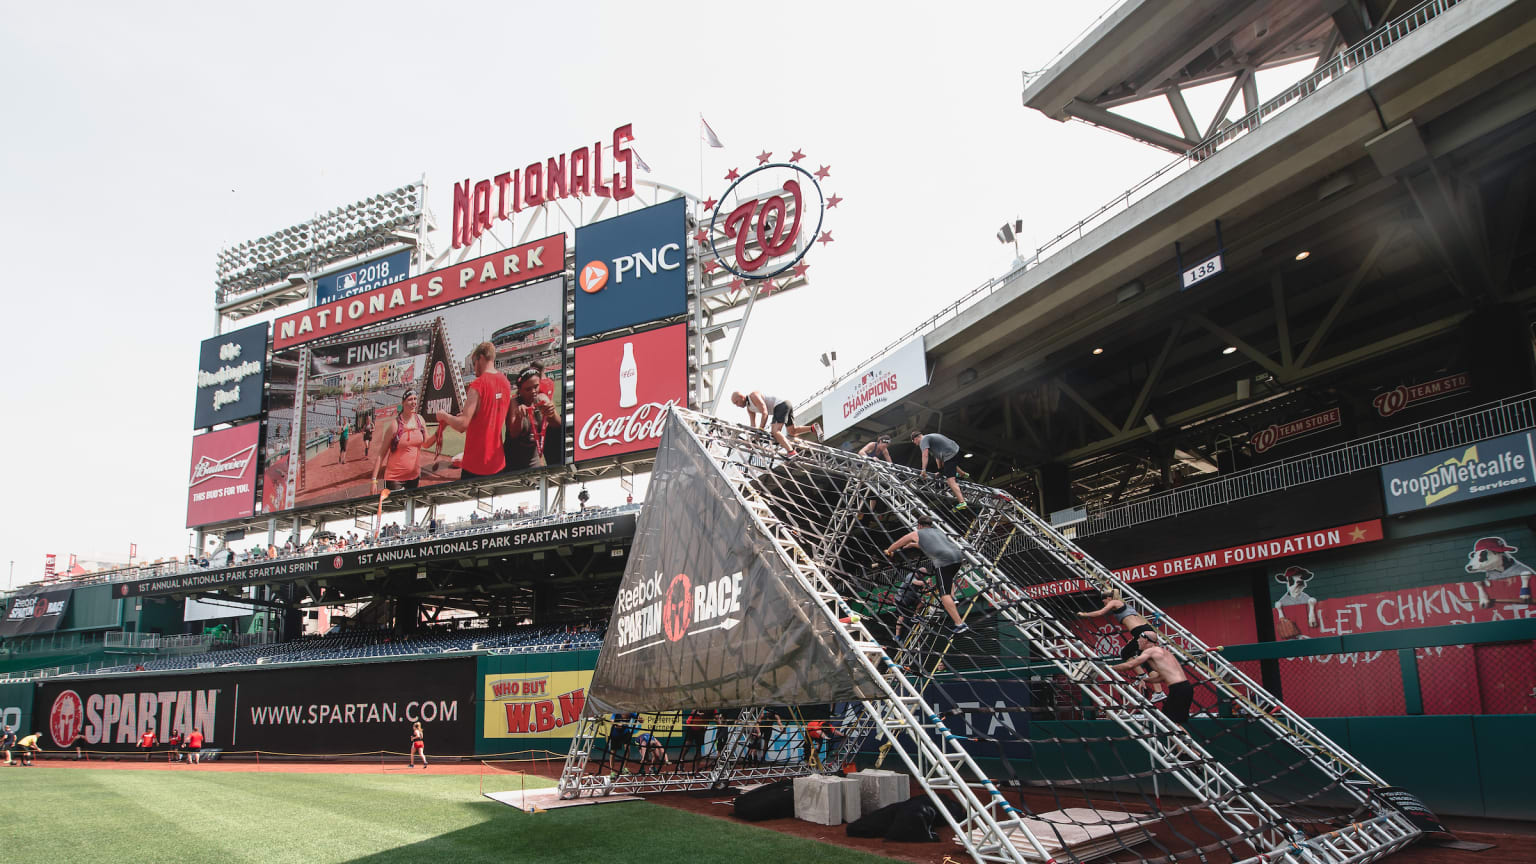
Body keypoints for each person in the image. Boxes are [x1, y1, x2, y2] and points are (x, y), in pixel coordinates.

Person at [436, 342, 512, 479]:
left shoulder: (478, 384)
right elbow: (490, 415)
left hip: (476, 465)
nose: (473, 368)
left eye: (474, 362)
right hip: (497, 462)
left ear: (481, 358)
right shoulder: (506, 383)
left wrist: (444, 416)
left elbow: (461, 425)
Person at [1078, 588, 1166, 703]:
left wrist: (1084, 614)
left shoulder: (1114, 602)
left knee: (1127, 654)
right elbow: (1136, 621)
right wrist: (1135, 638)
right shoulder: (1126, 605)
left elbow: (1100, 612)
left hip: (1141, 632)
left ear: (1109, 598)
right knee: (1142, 658)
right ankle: (1155, 688)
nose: (1104, 603)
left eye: (1104, 601)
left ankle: (1149, 682)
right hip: (1145, 630)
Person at [885, 515, 970, 633]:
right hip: (957, 557)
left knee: (943, 594)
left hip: (943, 560)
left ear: (919, 525)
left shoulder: (916, 533)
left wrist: (888, 551)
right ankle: (953, 597)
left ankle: (959, 624)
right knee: (948, 578)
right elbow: (929, 545)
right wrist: (913, 545)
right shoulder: (938, 531)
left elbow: (897, 544)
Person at [1113, 631, 1194, 725]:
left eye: (1139, 638)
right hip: (1183, 688)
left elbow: (1131, 664)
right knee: (1171, 724)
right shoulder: (1164, 652)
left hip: (1178, 689)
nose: (1138, 641)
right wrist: (1143, 680)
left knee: (1172, 725)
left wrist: (1110, 667)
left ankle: (1186, 740)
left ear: (1146, 640)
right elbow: (1161, 678)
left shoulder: (1150, 651)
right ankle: (1185, 740)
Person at [371, 391, 443, 493]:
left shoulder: (420, 420)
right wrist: (374, 480)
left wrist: (440, 430)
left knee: (411, 507)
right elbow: (381, 455)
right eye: (410, 399)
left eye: (415, 399)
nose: (413, 402)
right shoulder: (394, 425)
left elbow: (426, 443)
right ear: (403, 403)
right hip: (395, 479)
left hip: (414, 477)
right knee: (399, 508)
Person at [730, 390, 819, 456]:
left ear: (741, 397)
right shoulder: (749, 409)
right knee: (792, 431)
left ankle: (791, 452)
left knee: (775, 432)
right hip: (785, 405)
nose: (737, 405)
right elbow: (753, 426)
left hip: (780, 406)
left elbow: (765, 412)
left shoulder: (753, 396)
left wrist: (761, 430)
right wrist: (751, 439)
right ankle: (812, 428)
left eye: (736, 402)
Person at [505, 367, 560, 470]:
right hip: (513, 464)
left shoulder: (542, 398)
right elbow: (513, 433)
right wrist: (518, 417)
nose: (533, 391)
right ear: (520, 390)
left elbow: (557, 425)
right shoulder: (515, 403)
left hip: (534, 461)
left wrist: (551, 413)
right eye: (528, 389)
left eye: (536, 386)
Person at [911, 431, 968, 511]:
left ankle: (962, 502)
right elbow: (938, 457)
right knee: (948, 464)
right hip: (955, 449)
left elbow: (925, 455)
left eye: (914, 442)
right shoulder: (931, 437)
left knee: (950, 480)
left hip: (949, 454)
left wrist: (923, 469)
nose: (916, 444)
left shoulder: (923, 440)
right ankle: (962, 474)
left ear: (916, 438)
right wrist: (940, 471)